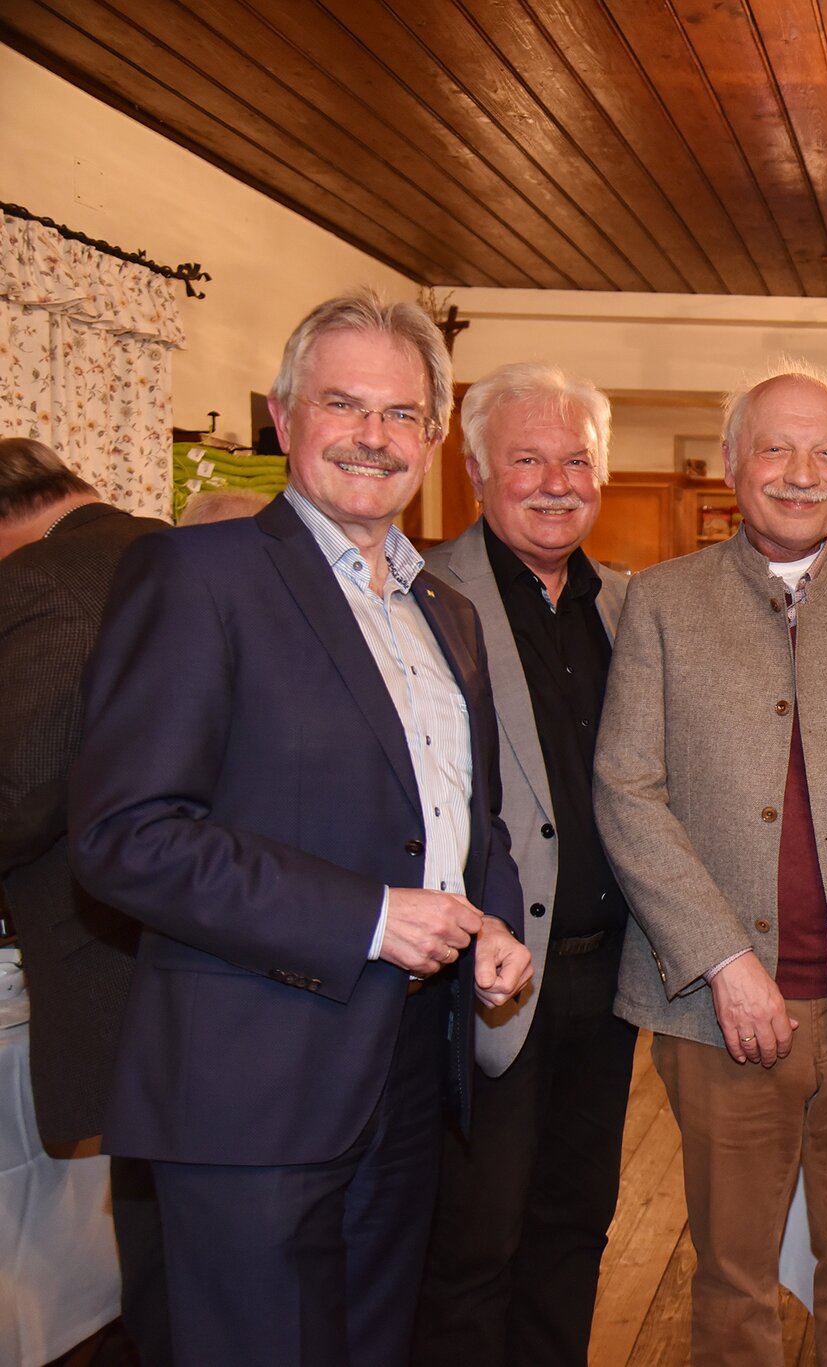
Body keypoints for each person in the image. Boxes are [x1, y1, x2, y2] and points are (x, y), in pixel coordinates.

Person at [68, 291, 533, 1367]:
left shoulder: (443, 610)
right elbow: (126, 833)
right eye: (343, 403)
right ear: (284, 417)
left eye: (401, 413)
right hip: (250, 1082)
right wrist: (371, 917)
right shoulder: (199, 575)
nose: (374, 435)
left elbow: (467, 819)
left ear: (431, 437)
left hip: (412, 1063)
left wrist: (494, 919)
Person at [593, 362, 827, 1367]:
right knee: (729, 1285)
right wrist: (719, 956)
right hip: (713, 1012)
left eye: (826, 451)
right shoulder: (657, 604)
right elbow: (626, 787)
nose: (801, 472)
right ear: (730, 465)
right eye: (775, 447)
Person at [412, 363, 634, 1367]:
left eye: (576, 458)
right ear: (473, 472)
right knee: (472, 1242)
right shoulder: (418, 591)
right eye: (527, 458)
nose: (556, 480)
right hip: (484, 973)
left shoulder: (630, 606)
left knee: (574, 1225)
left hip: (607, 976)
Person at [0, 437, 172, 1364]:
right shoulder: (169, 544)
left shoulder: (41, 580)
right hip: (188, 929)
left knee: (154, 1216)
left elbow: (21, 786)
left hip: (104, 938)